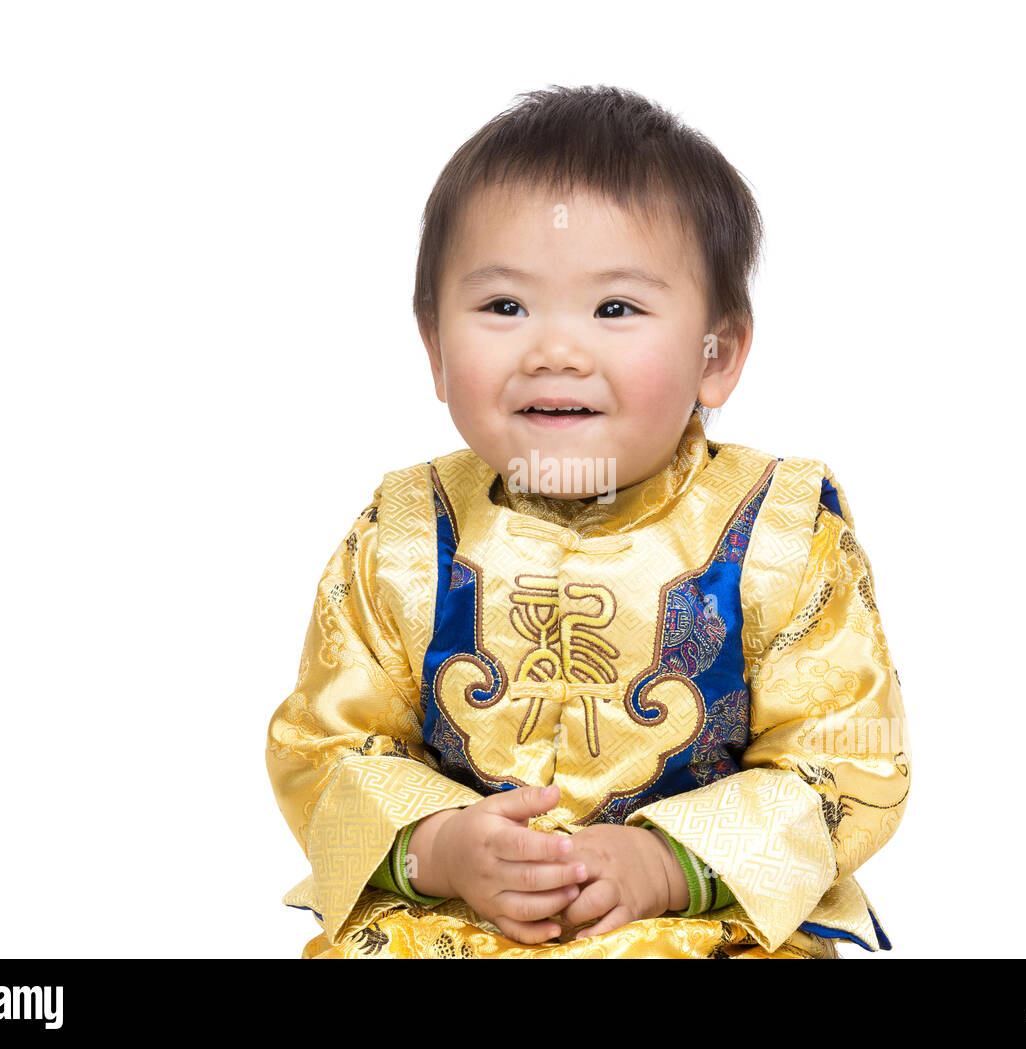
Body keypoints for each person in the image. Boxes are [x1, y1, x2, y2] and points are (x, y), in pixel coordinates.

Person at [266, 84, 910, 959]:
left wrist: (670, 864)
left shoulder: (780, 539)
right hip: (455, 927)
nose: (555, 350)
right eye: (504, 307)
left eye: (615, 309)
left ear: (717, 354)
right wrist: (440, 845)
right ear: (434, 350)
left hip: (696, 930)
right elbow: (324, 744)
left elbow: (844, 760)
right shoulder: (406, 539)